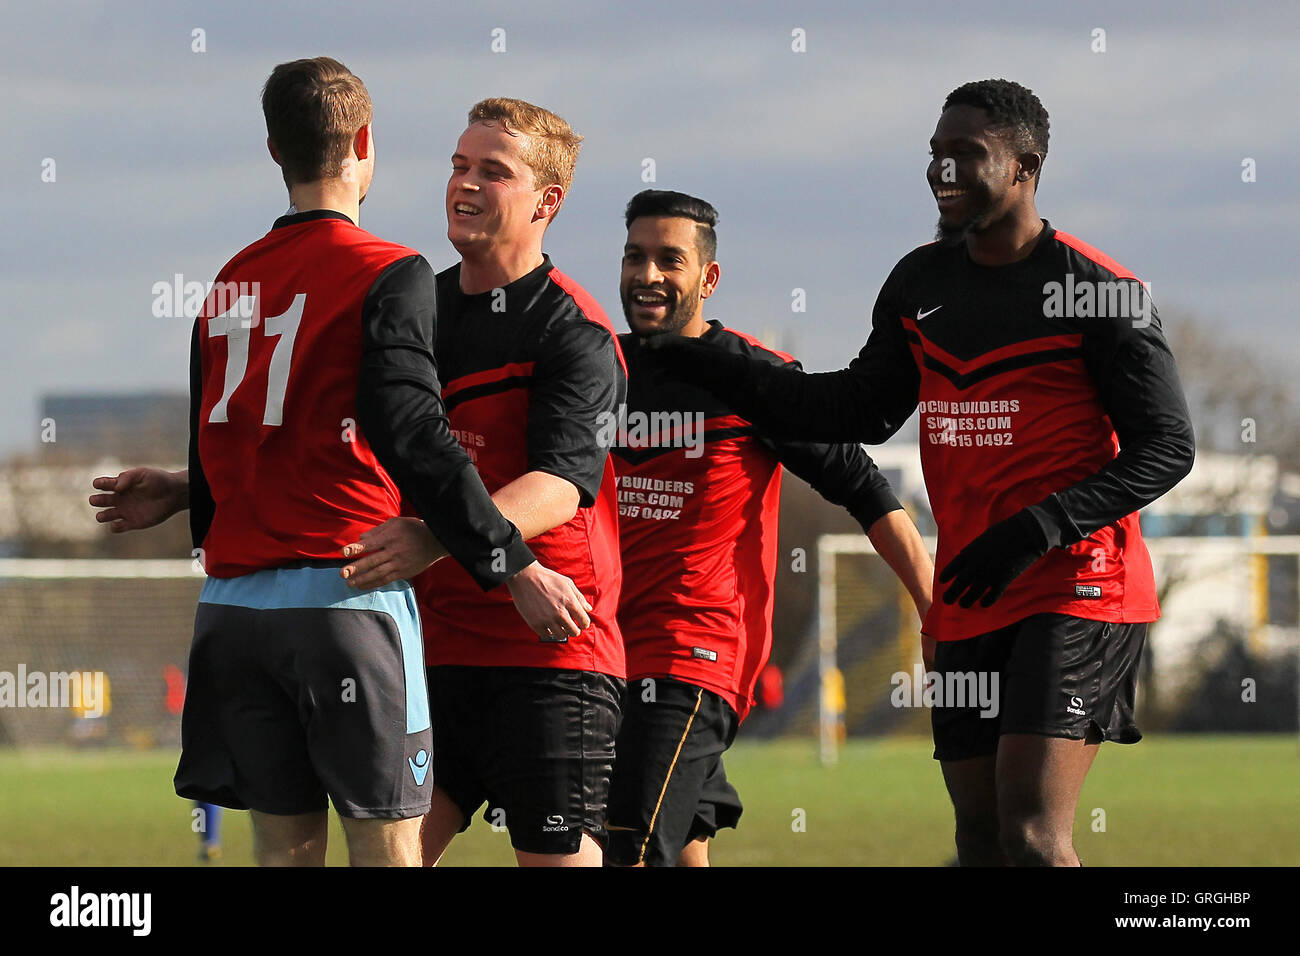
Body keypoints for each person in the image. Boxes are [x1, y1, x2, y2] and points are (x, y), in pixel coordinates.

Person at [645, 80, 1195, 866]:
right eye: (934, 155)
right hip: (971, 594)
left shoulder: (1099, 291)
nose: (942, 171)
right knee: (979, 841)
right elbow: (854, 411)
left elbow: (1168, 447)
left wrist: (1038, 528)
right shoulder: (920, 283)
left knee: (1033, 836)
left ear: (1025, 166)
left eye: (965, 155)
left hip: (1079, 586)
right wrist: (715, 365)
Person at [90, 61, 588, 866]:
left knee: (283, 854)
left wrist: (190, 492)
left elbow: (245, 438)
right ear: (364, 144)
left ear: (272, 150)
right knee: (387, 850)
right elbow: (416, 436)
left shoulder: (228, 281)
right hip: (344, 603)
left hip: (231, 615)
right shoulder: (388, 271)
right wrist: (510, 562)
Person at [604, 190, 934, 866]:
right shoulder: (598, 370)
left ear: (708, 277)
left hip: (693, 655)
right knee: (685, 846)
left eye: (671, 259)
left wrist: (936, 611)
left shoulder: (751, 378)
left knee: (628, 851)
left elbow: (866, 489)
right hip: (606, 657)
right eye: (636, 257)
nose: (649, 275)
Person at [338, 98, 626, 867]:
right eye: (459, 165)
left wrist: (435, 541)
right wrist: (188, 485)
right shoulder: (413, 308)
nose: (464, 184)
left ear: (547, 202)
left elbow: (561, 484)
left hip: (551, 655)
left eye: (493, 171)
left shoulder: (575, 331)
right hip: (431, 657)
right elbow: (329, 433)